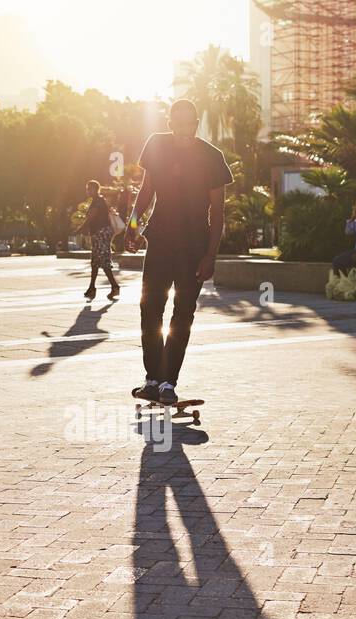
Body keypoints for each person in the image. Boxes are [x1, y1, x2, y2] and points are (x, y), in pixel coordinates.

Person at [125, 99, 233, 405]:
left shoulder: (212, 157)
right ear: (170, 123)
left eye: (192, 123)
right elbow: (146, 190)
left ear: (197, 123)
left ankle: (169, 382)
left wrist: (211, 254)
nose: (186, 129)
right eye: (180, 123)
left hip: (194, 248)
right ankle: (152, 378)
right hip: (159, 242)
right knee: (150, 309)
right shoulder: (156, 145)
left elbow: (218, 212)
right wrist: (132, 226)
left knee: (182, 314)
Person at [73, 179, 119, 301]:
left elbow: (91, 219)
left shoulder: (98, 201)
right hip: (98, 234)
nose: (87, 191)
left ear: (95, 189)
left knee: (104, 262)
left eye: (90, 188)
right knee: (95, 262)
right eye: (87, 188)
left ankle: (115, 287)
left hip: (101, 234)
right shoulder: (96, 201)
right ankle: (92, 288)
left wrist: (79, 229)